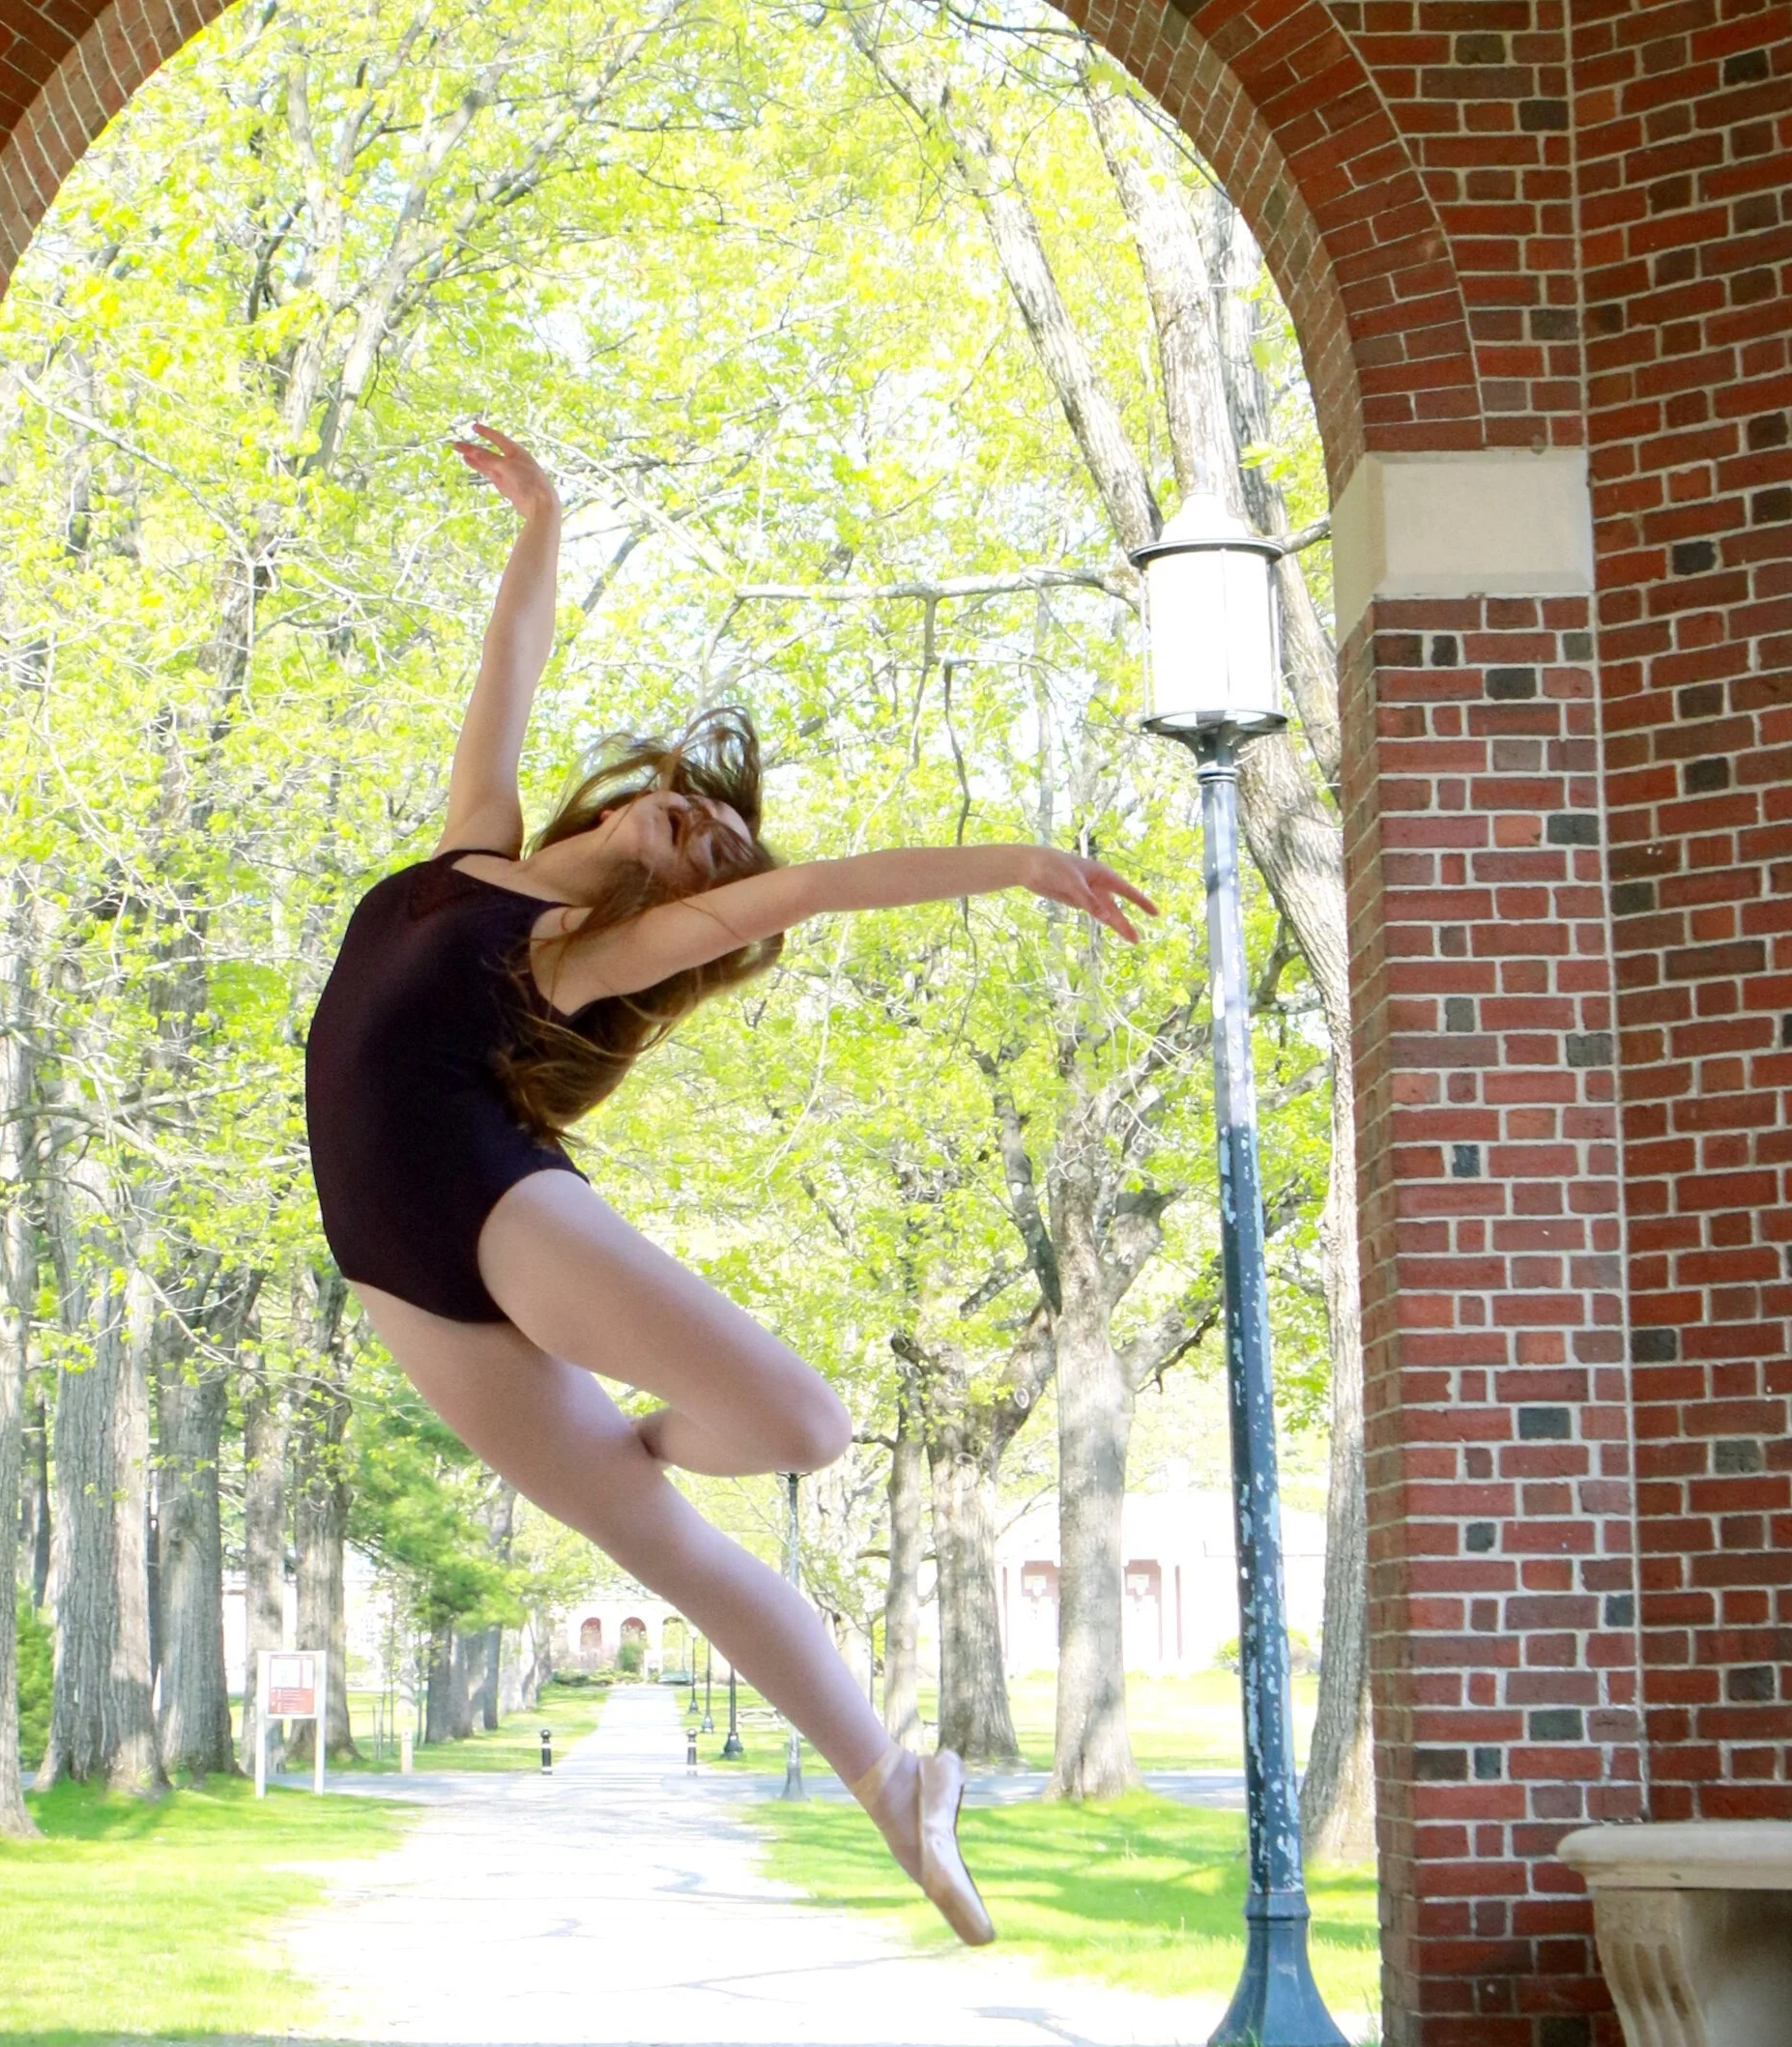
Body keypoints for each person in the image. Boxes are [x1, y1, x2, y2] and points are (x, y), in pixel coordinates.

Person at [304, 424, 1157, 1945]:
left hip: (496, 1207)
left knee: (804, 1429)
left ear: (676, 905)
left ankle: (667, 1451)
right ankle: (899, 1786)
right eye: (692, 812)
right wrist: (545, 517)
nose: (695, 835)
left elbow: (814, 891)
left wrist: (1024, 862)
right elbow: (511, 657)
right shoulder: (470, 853)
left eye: (710, 857)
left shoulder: (584, 956)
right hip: (387, 1262)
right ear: (629, 797)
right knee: (660, 1547)